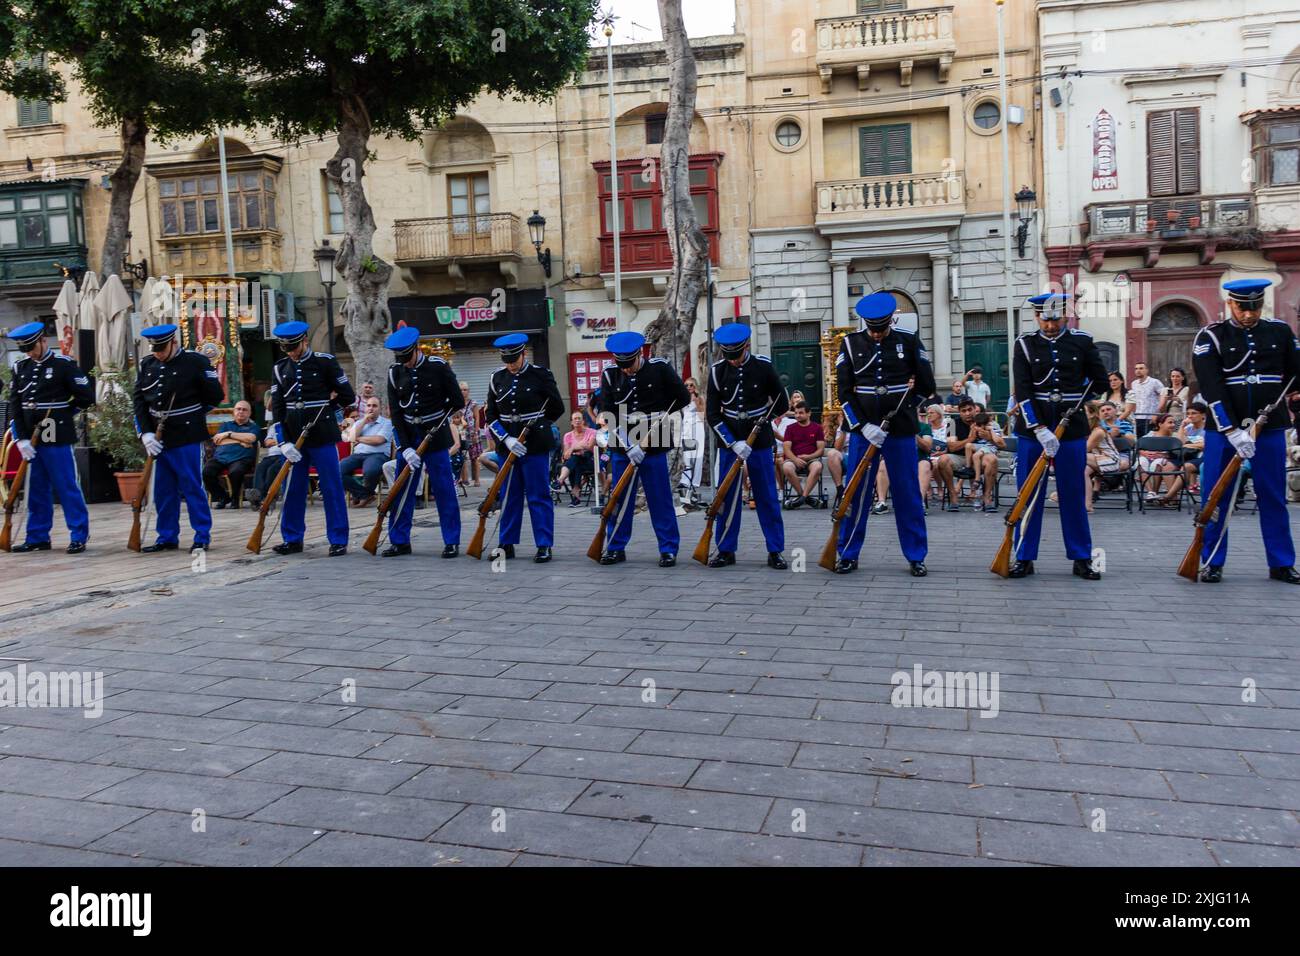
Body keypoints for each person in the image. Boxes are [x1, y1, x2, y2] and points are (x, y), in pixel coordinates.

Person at [1191, 277, 1300, 583]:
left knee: (1273, 495)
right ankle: (1212, 559)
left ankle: (1280, 562)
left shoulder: (1279, 331)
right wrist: (1232, 431)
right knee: (1216, 495)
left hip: (1269, 426)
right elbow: (1211, 387)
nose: (1249, 314)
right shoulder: (1211, 336)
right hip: (1224, 430)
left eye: (1255, 307)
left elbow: (1295, 374)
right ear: (1230, 304)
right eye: (1243, 308)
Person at [833, 291, 935, 576]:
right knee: (856, 493)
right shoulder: (850, 344)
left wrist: (906, 409)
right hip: (864, 430)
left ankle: (916, 555)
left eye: (882, 328)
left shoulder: (908, 341)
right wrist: (862, 425)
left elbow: (925, 387)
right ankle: (848, 552)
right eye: (872, 329)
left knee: (907, 492)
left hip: (900, 429)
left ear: (891, 320)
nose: (877, 335)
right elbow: (844, 393)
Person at [1007, 292, 1108, 579]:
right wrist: (1038, 427)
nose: (1050, 325)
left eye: (1055, 319)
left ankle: (1081, 557)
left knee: (1073, 493)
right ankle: (1024, 556)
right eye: (1044, 319)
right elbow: (1024, 390)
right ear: (1037, 316)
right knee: (1029, 494)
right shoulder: (1025, 344)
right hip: (1032, 430)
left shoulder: (1082, 341)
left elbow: (1099, 382)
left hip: (1071, 427)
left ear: (1065, 315)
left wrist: (1077, 401)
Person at [591, 331, 690, 566]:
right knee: (620, 497)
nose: (626, 369)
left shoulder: (659, 368)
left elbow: (682, 397)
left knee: (659, 497)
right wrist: (628, 445)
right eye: (621, 364)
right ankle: (615, 546)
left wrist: (660, 415)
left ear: (640, 354)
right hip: (622, 441)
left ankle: (668, 548)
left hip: (654, 440)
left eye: (630, 364)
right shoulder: (610, 374)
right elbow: (607, 412)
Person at [132, 323, 224, 553]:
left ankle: (202, 534)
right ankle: (166, 536)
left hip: (186, 433)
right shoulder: (148, 364)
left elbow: (215, 396)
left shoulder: (195, 362)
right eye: (155, 349)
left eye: (162, 349)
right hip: (158, 437)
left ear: (174, 343)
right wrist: (145, 433)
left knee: (192, 486)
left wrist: (191, 416)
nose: (158, 354)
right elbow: (140, 401)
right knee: (163, 490)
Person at [3, 322, 94, 554]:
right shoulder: (21, 366)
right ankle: (37, 536)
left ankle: (78, 534)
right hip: (30, 431)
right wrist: (21, 438)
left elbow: (86, 396)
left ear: (43, 341)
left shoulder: (63, 365)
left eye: (32, 347)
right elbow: (15, 404)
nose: (30, 353)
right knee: (36, 487)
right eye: (26, 349)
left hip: (55, 428)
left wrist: (65, 413)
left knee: (66, 484)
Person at [705, 322, 789, 569]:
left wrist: (763, 421)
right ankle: (725, 549)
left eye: (736, 355)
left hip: (759, 439)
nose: (732, 361)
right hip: (730, 440)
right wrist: (732, 442)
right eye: (728, 355)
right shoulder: (717, 371)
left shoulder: (762, 366)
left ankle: (775, 550)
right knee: (727, 496)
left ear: (746, 346)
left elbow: (781, 403)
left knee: (766, 496)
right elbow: (712, 413)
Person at [268, 320, 355, 557]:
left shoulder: (324, 362)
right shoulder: (280, 368)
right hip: (294, 437)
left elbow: (348, 396)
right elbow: (277, 408)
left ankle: (338, 538)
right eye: (286, 348)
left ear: (304, 341)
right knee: (292, 489)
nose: (291, 352)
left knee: (331, 487)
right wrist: (282, 441)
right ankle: (292, 538)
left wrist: (327, 409)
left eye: (294, 347)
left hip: (322, 433)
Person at [381, 326, 464, 558]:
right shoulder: (394, 372)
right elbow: (396, 413)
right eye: (400, 358)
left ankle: (451, 540)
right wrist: (405, 447)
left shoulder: (437, 367)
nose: (404, 362)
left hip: (436, 435)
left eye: (406, 356)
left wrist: (439, 419)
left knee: (444, 488)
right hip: (409, 435)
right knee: (402, 490)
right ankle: (399, 540)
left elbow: (456, 401)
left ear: (416, 349)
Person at [484, 333, 565, 562]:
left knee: (539, 495)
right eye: (506, 361)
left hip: (535, 444)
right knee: (509, 495)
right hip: (507, 446)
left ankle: (544, 544)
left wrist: (535, 428)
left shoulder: (541, 374)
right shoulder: (496, 378)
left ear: (523, 354)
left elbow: (556, 407)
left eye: (513, 359)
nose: (509, 365)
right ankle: (506, 543)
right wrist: (506, 439)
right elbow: (490, 415)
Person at [204, 399, 260, 509]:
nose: (241, 411)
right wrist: (241, 440)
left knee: (236, 471)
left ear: (249, 413)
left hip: (242, 458)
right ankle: (222, 497)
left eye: (244, 410)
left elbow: (251, 438)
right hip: (221, 457)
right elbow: (218, 440)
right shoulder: (225, 425)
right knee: (207, 472)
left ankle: (235, 498)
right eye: (238, 409)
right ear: (234, 411)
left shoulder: (254, 427)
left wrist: (229, 434)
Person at [340, 396, 393, 507]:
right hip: (358, 455)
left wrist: (358, 439)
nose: (371, 408)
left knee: (370, 471)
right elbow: (350, 437)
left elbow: (378, 440)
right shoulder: (359, 422)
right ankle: (364, 495)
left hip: (378, 455)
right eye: (368, 405)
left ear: (380, 408)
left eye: (374, 406)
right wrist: (364, 421)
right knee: (337, 470)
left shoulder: (386, 423)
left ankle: (359, 496)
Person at [781, 401, 826, 508]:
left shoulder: (817, 428)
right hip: (793, 459)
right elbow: (786, 449)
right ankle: (805, 498)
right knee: (786, 467)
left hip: (811, 459)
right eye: (796, 413)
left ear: (809, 413)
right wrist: (795, 460)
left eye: (800, 413)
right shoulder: (790, 428)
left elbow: (821, 450)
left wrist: (809, 457)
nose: (797, 415)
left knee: (818, 466)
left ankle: (801, 498)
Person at [1084, 402, 1128, 511]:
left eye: (1083, 412)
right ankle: (1088, 505)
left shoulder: (1098, 431)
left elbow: (1084, 450)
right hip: (1096, 458)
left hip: (1110, 460)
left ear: (1092, 414)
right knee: (1082, 472)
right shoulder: (1086, 429)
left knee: (1075, 457)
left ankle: (1063, 493)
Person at [964, 408, 1005, 513]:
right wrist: (973, 431)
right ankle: (969, 469)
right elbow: (969, 440)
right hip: (981, 448)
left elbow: (1001, 443)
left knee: (982, 457)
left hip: (989, 448)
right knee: (970, 447)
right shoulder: (974, 427)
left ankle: (982, 488)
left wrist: (990, 434)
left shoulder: (992, 427)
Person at [1138, 413, 1182, 506]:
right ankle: (1151, 492)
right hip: (1148, 458)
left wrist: (1162, 454)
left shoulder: (1175, 436)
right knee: (1140, 462)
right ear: (1160, 424)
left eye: (1174, 423)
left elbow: (1177, 452)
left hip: (1163, 459)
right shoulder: (1151, 435)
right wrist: (1144, 452)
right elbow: (1139, 447)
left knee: (1159, 463)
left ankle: (1155, 491)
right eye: (1170, 422)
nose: (1173, 425)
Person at [248, 391, 284, 506]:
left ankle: (264, 496)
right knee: (261, 467)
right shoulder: (274, 426)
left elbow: (290, 442)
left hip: (285, 455)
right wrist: (280, 441)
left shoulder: (292, 424)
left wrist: (277, 442)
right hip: (272, 455)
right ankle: (258, 496)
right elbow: (267, 442)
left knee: (272, 470)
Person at [678, 377, 706, 506]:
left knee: (697, 457)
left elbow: (702, 416)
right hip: (686, 428)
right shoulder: (682, 400)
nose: (689, 387)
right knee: (687, 457)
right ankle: (685, 482)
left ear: (695, 387)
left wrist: (696, 401)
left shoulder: (699, 399)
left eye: (691, 385)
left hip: (697, 427)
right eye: (686, 385)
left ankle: (694, 483)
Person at [558, 412, 596, 506]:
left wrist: (573, 449)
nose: (577, 420)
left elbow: (589, 447)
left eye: (579, 418)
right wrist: (578, 449)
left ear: (583, 421)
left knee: (575, 460)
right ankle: (576, 495)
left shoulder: (592, 432)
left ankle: (560, 480)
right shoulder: (567, 435)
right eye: (575, 419)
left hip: (591, 462)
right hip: (575, 462)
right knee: (575, 460)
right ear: (571, 422)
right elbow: (566, 454)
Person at [1177, 401, 1207, 495]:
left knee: (1186, 466)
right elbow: (1179, 443)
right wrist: (1182, 427)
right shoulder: (1188, 428)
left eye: (1194, 413)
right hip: (1188, 456)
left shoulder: (1208, 429)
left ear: (1203, 415)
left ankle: (1169, 496)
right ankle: (1172, 498)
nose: (1190, 416)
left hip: (1202, 458)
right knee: (1167, 465)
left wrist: (1187, 445)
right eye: (1188, 414)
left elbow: (1205, 445)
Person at [1128, 361, 1164, 437]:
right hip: (1137, 417)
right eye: (1136, 369)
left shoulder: (1154, 382)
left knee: (1149, 440)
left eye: (1141, 368)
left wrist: (1157, 413)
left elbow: (1163, 396)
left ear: (1146, 370)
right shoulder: (1134, 383)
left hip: (1150, 417)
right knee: (1139, 440)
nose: (1138, 370)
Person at [459, 381, 483, 486]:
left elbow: (477, 419)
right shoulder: (456, 403)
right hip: (460, 432)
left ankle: (477, 480)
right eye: (461, 390)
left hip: (472, 431)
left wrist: (476, 432)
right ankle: (464, 479)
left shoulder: (473, 403)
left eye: (465, 389)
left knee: (475, 457)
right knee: (462, 457)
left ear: (468, 391)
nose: (463, 392)